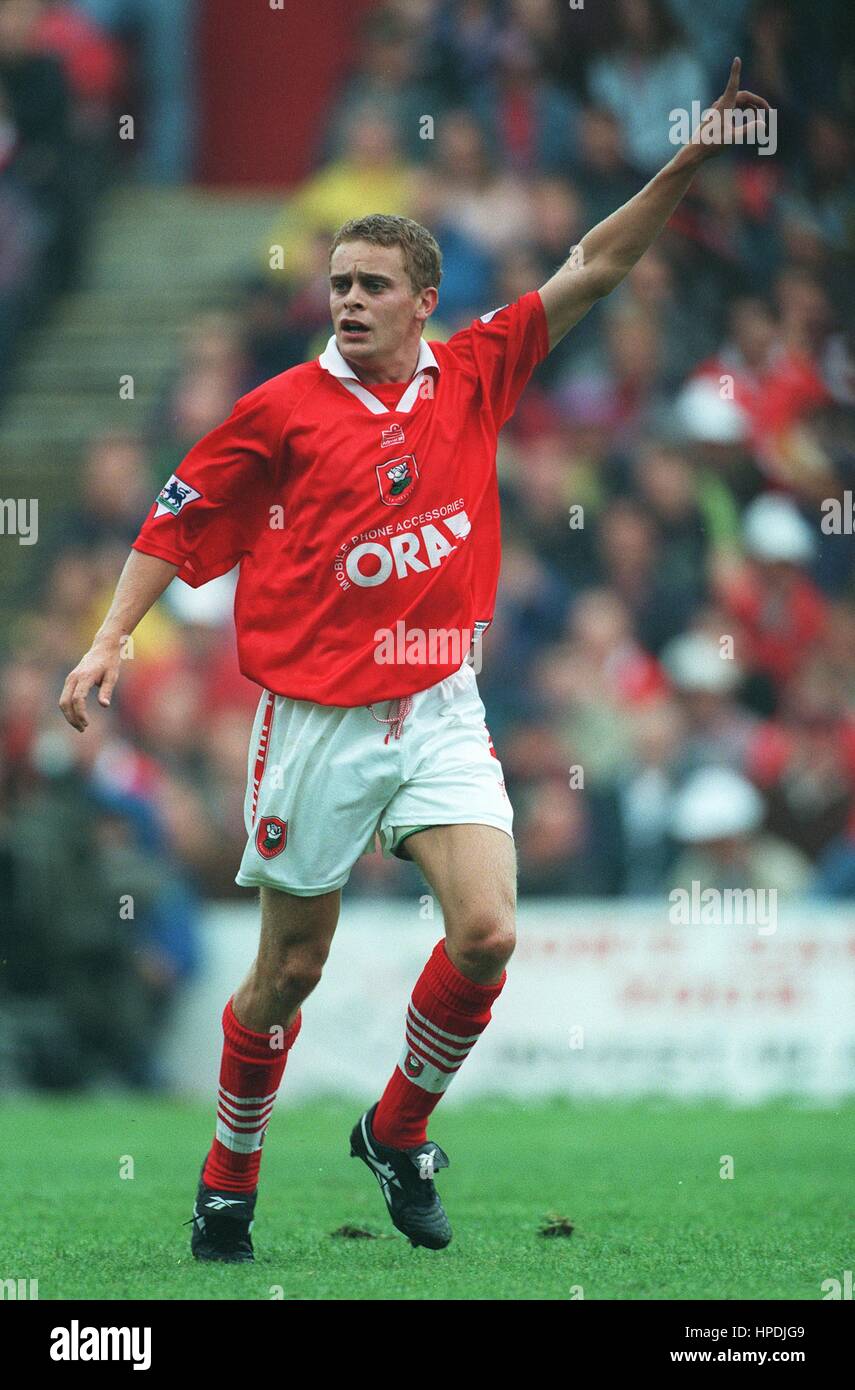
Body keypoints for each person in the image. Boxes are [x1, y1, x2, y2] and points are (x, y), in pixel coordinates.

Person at [60, 59, 769, 1259]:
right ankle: (228, 1176)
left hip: (439, 702)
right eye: (337, 282)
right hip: (316, 720)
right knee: (289, 973)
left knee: (488, 933)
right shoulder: (282, 407)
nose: (346, 300)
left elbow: (593, 263)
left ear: (423, 296)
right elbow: (173, 517)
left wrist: (688, 164)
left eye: (372, 285)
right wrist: (111, 635)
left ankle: (396, 1131)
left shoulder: (479, 369)